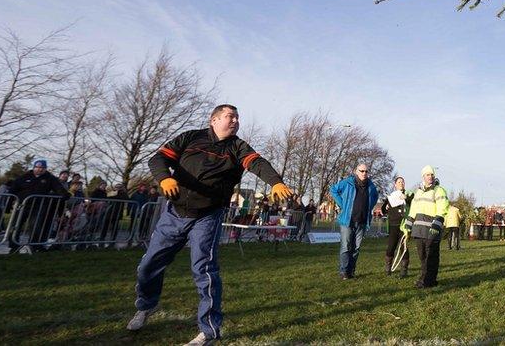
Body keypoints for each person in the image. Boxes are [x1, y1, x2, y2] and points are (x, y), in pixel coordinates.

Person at [126, 104, 293, 346]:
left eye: (237, 117)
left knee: (205, 271)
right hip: (174, 213)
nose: (235, 120)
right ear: (214, 120)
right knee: (148, 265)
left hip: (208, 216)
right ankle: (146, 306)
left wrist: (275, 182)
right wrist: (165, 177)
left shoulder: (238, 147)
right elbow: (158, 158)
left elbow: (258, 163)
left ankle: (209, 331)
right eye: (230, 116)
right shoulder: (191, 137)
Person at [7, 158, 70, 251]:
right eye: (37, 167)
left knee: (36, 225)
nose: (39, 169)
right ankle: (13, 244)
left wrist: (64, 194)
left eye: (42, 168)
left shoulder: (49, 178)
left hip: (38, 206)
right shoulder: (25, 176)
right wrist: (8, 204)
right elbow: (13, 189)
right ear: (34, 167)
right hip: (22, 205)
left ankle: (34, 245)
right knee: (16, 225)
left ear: (45, 169)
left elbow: (58, 187)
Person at [329, 163, 380, 280]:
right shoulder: (348, 182)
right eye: (362, 171)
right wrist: (342, 204)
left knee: (356, 248)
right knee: (346, 246)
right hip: (347, 221)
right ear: (356, 171)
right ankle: (344, 271)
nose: (364, 173)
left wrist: (369, 208)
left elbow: (375, 197)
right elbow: (333, 190)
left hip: (362, 222)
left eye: (366, 171)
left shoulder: (371, 186)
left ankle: (351, 271)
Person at [404, 166, 449, 288]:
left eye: (432, 175)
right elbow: (413, 208)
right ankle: (425, 278)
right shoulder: (418, 192)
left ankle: (428, 280)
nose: (430, 177)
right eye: (427, 175)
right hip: (419, 229)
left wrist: (437, 222)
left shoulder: (439, 190)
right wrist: (409, 222)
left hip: (432, 229)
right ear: (423, 176)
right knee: (422, 256)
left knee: (431, 256)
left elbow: (443, 207)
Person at [380, 176, 412, 277]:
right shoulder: (391, 196)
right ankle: (388, 267)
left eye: (402, 182)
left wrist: (406, 199)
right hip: (393, 225)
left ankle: (404, 270)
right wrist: (386, 207)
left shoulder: (409, 195)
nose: (401, 183)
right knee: (391, 247)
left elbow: (413, 205)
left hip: (404, 226)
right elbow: (383, 209)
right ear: (395, 185)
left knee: (404, 248)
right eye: (399, 182)